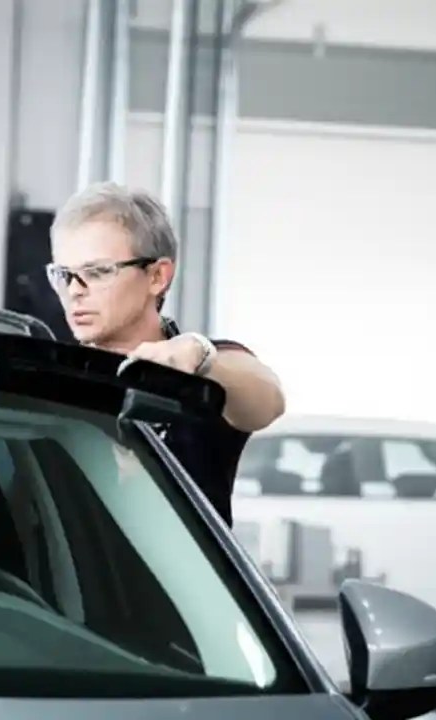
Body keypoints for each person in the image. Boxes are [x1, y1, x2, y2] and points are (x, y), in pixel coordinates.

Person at [45, 182, 285, 526]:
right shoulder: (53, 380)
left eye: (97, 272)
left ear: (157, 276)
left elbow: (268, 399)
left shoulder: (199, 366)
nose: (73, 291)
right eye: (63, 274)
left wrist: (198, 357)